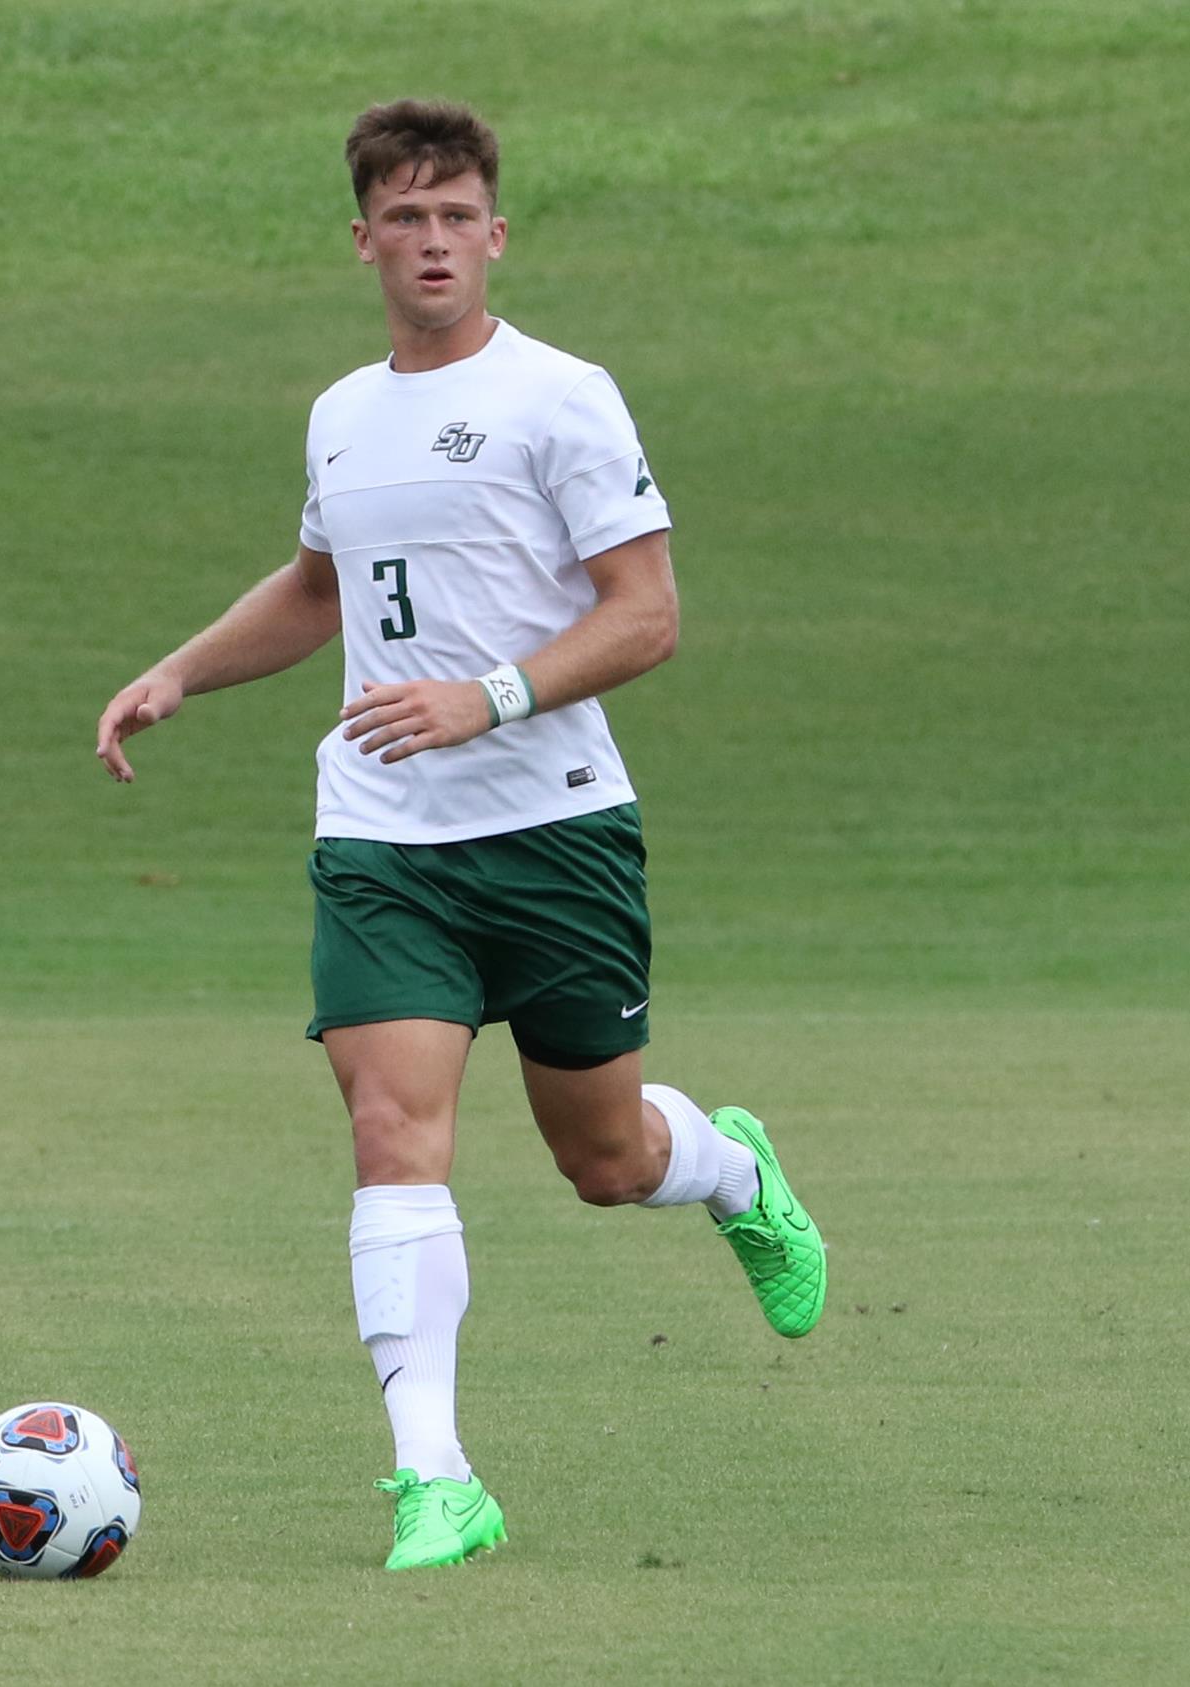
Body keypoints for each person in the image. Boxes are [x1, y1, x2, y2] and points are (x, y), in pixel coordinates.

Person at [92, 98, 826, 1571]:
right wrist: (180, 669)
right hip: (382, 841)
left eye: (455, 216)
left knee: (603, 1159)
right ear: (363, 241)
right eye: (403, 218)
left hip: (555, 836)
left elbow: (647, 614)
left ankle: (734, 1168)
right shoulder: (341, 415)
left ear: (495, 235)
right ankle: (438, 1479)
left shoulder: (566, 398)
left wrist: (482, 702)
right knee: (390, 1132)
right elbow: (319, 588)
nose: (431, 241)